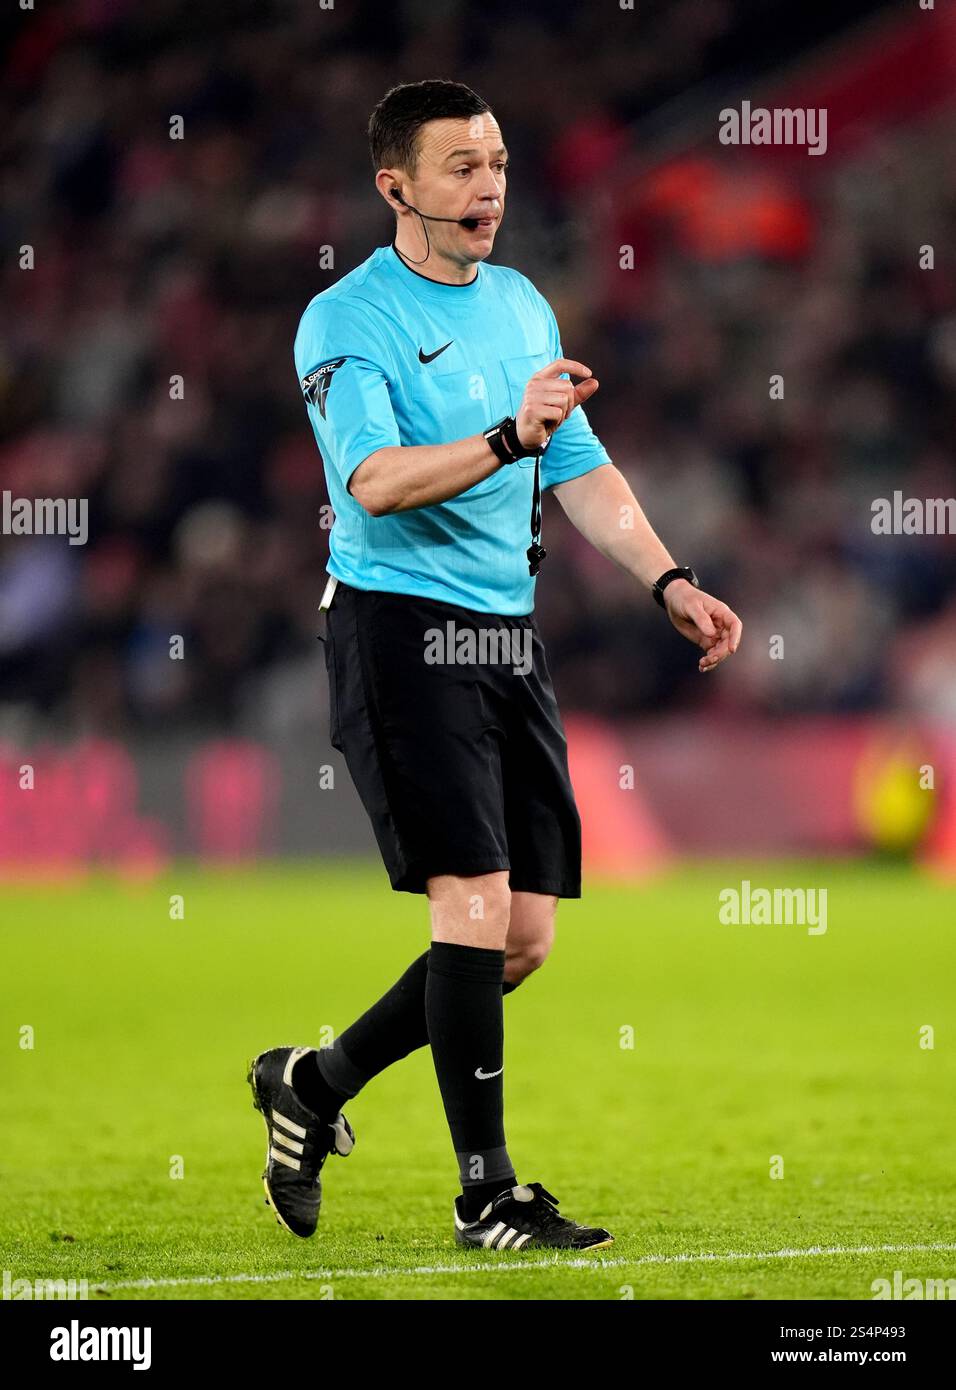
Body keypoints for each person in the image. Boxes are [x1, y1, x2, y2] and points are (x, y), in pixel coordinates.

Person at [248, 79, 742, 1252]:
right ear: (395, 188)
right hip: (397, 629)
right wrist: (504, 437)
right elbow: (372, 482)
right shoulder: (344, 320)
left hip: (504, 634)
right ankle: (487, 1194)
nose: (488, 188)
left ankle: (309, 1086)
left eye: (499, 165)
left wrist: (668, 579)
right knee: (466, 906)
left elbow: (581, 466)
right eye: (461, 168)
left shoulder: (520, 304)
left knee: (518, 939)